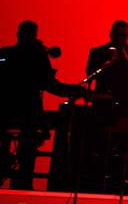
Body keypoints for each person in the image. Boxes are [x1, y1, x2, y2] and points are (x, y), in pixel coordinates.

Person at [0, 21, 80, 188]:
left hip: (6, 111)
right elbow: (49, 84)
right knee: (29, 146)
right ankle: (23, 183)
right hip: (28, 112)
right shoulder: (37, 56)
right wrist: (74, 91)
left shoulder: (6, 53)